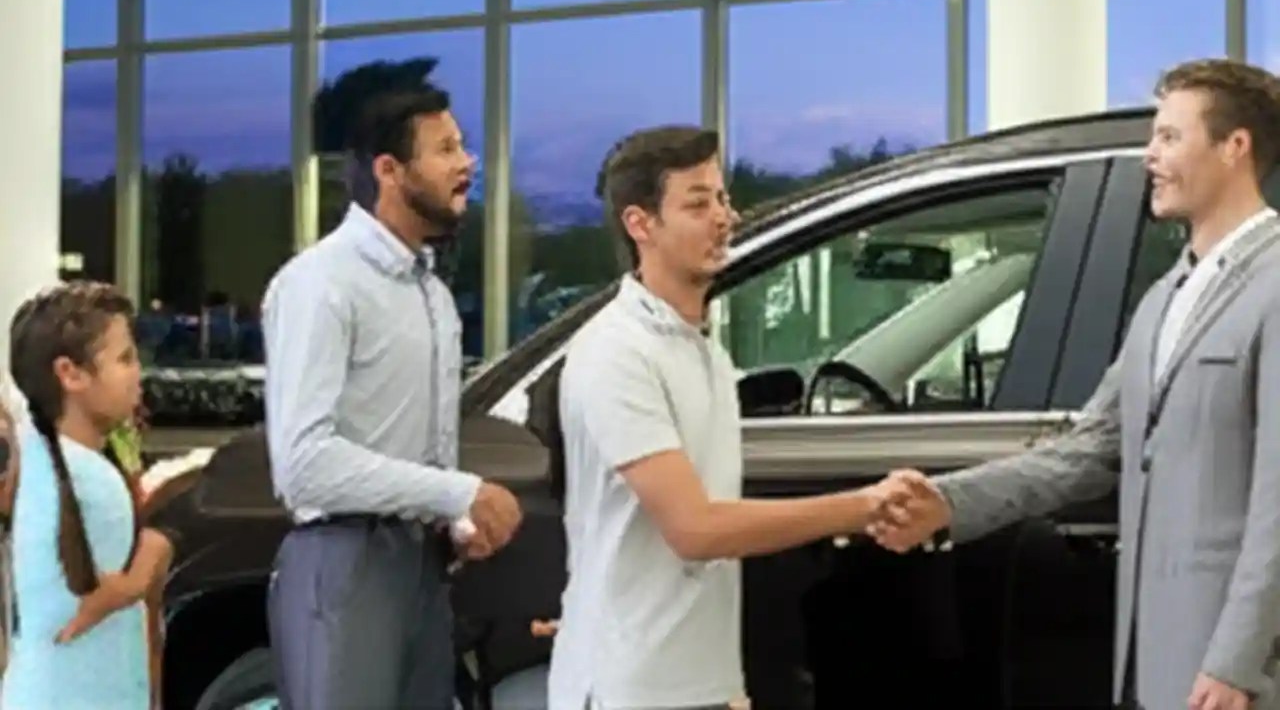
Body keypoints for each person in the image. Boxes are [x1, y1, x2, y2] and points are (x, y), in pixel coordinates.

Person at [868, 58, 1280, 710]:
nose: (1150, 156)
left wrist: (1238, 663)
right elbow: (1088, 450)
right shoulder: (1164, 299)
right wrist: (947, 503)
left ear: (1236, 147)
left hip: (1234, 676)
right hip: (1151, 662)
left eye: (1170, 137)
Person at [546, 125, 916, 710]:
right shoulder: (615, 352)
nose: (725, 217)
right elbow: (696, 529)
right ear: (640, 224)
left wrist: (727, 689)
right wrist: (861, 505)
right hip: (632, 688)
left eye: (722, 197)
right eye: (698, 203)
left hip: (698, 683)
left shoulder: (705, 351)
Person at [262, 83, 523, 709]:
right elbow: (303, 466)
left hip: (422, 566)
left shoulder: (429, 293)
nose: (468, 164)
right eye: (447, 149)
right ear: (389, 171)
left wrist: (452, 518)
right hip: (342, 563)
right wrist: (461, 492)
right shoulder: (321, 284)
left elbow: (417, 450)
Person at [0, 281, 176, 709]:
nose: (138, 373)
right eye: (124, 359)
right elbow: (113, 599)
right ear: (70, 373)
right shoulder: (91, 480)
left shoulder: (38, 455)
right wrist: (155, 553)